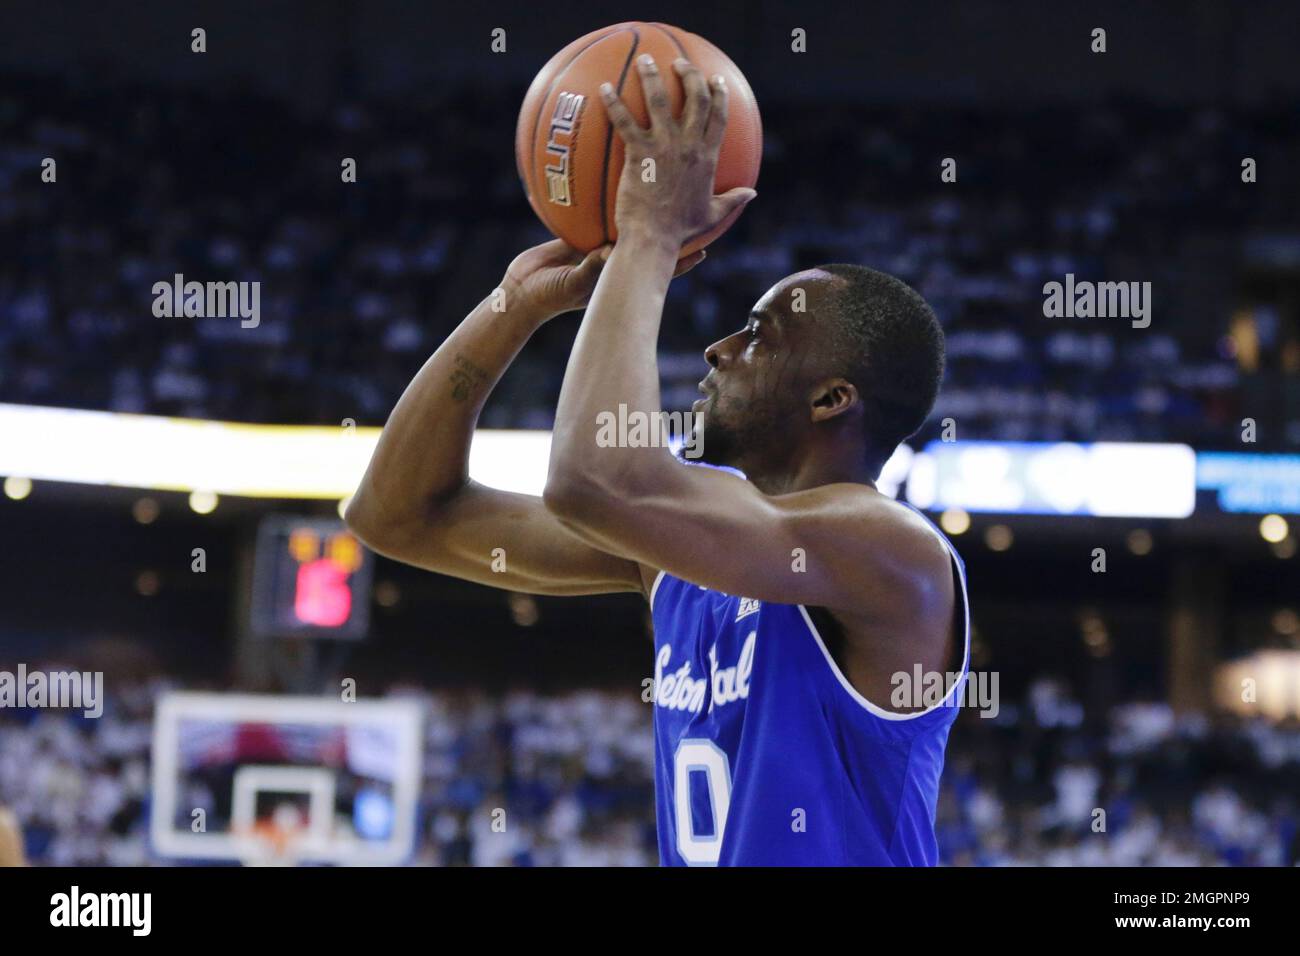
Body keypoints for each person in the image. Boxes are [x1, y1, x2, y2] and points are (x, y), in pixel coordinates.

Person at [348, 54, 968, 865]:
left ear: (831, 401)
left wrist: (647, 234)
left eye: (757, 336)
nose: (717, 350)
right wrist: (512, 307)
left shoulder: (891, 551)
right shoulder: (683, 552)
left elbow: (595, 479)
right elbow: (397, 515)